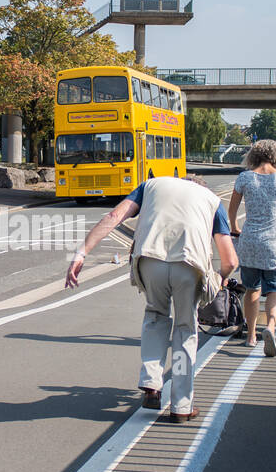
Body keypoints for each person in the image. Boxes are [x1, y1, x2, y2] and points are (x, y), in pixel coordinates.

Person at [66, 176, 237, 423]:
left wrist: (81, 252)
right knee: (184, 331)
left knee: (155, 317)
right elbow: (230, 260)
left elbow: (114, 217)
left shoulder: (151, 186)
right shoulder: (212, 202)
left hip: (150, 260)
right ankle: (181, 405)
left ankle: (152, 383)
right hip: (189, 267)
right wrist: (218, 280)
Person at [226, 139, 276, 357]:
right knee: (274, 288)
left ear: (254, 156)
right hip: (274, 244)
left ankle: (251, 336)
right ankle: (270, 327)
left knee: (252, 289)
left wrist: (235, 228)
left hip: (249, 242)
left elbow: (231, 211)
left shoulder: (244, 178)